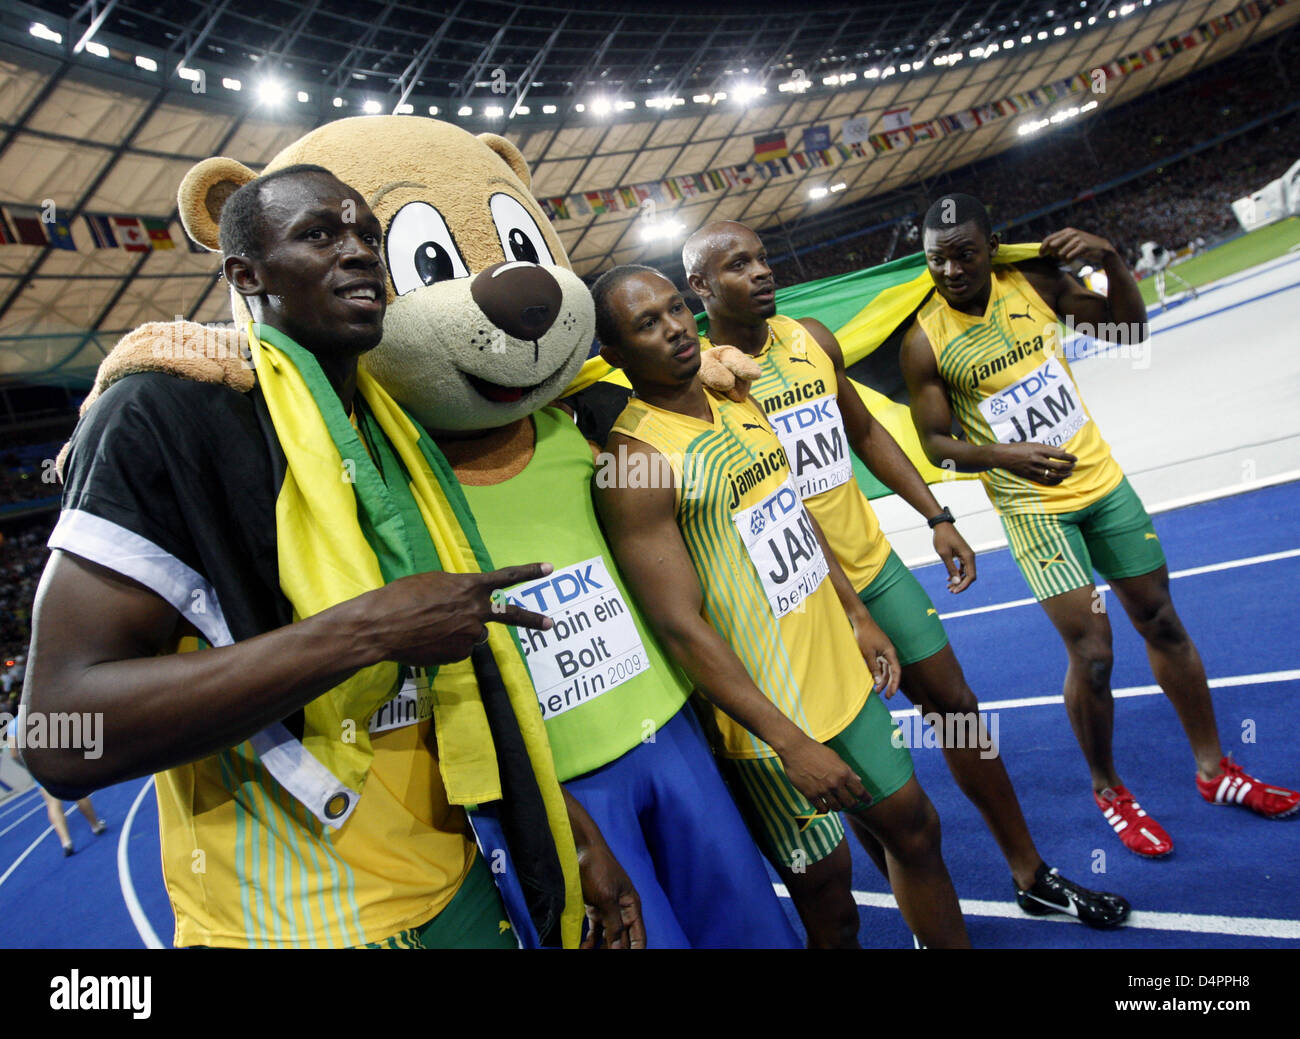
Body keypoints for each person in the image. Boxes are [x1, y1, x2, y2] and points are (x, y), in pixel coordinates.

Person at [22, 164, 629, 948]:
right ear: (247, 274)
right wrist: (367, 631)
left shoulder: (390, 425)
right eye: (318, 234)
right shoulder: (169, 412)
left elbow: (454, 688)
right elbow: (57, 734)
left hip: (460, 879)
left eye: (367, 236)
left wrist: (562, 823)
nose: (358, 253)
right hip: (294, 922)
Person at [684, 219, 1130, 926]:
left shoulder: (811, 340)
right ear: (700, 288)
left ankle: (1031, 871)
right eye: (739, 265)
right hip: (799, 600)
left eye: (764, 257)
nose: (763, 271)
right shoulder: (700, 384)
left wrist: (935, 514)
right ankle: (918, 904)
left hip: (873, 566)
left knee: (958, 710)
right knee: (864, 779)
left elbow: (862, 433)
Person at [900, 193, 1298, 858]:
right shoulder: (925, 340)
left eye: (964, 254)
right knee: (1094, 653)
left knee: (1163, 620)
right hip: (1035, 512)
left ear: (992, 247)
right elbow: (937, 443)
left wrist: (1111, 258)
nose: (950, 270)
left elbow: (1127, 331)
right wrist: (1005, 454)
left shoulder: (1032, 284)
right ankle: (1108, 786)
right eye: (936, 259)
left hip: (1103, 483)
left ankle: (1214, 769)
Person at [593, 264, 970, 949]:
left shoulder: (738, 395)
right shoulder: (637, 460)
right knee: (832, 904)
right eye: (647, 323)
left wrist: (856, 612)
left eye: (676, 308)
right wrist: (789, 741)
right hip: (768, 725)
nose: (676, 326)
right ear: (613, 356)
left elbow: (792, 510)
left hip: (839, 675)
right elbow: (679, 626)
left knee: (916, 827)